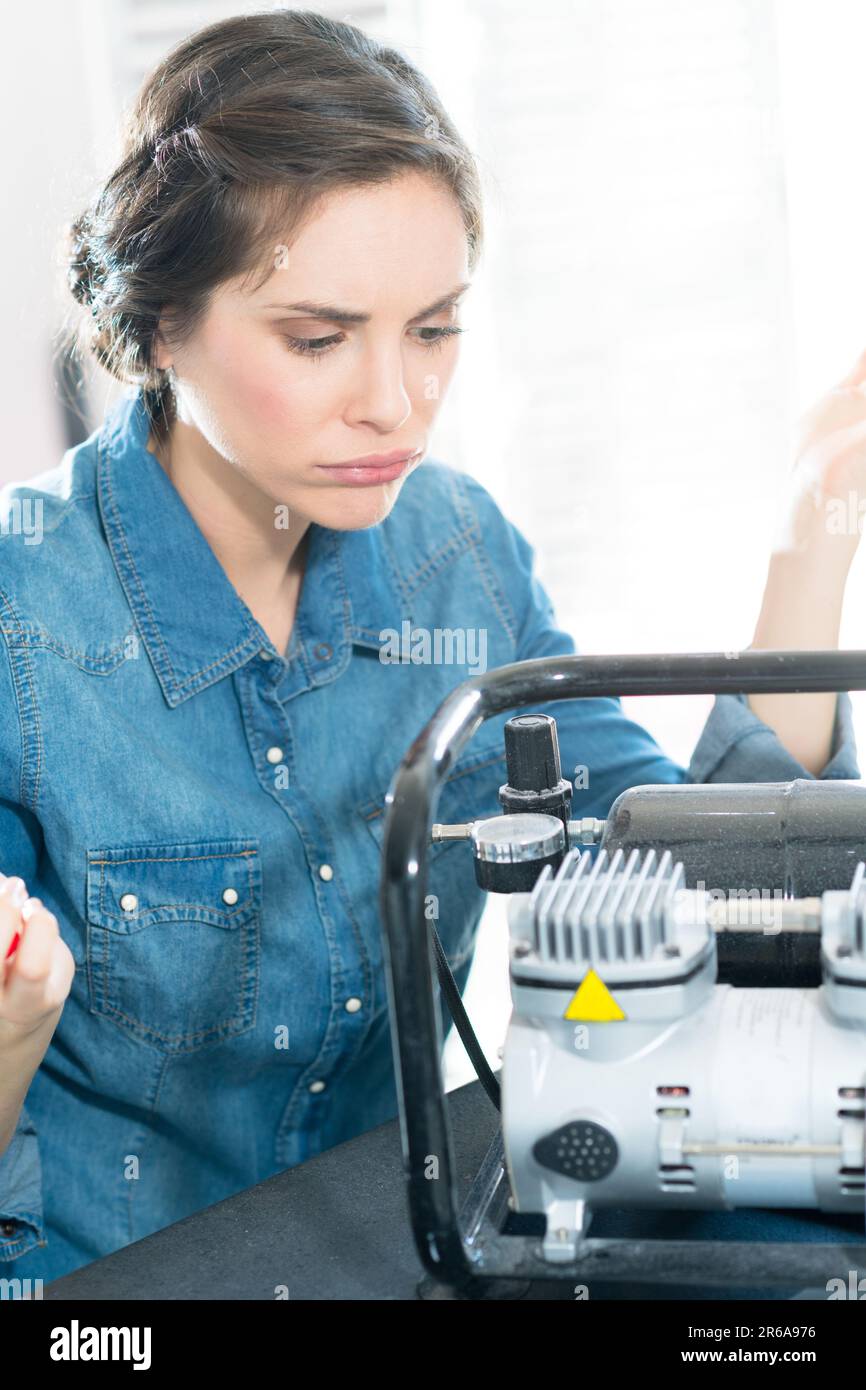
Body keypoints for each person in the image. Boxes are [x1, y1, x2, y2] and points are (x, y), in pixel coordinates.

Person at [0, 9, 863, 1288]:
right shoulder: (27, 629)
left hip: (401, 1247)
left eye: (434, 327)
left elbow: (677, 850)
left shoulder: (451, 551)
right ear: (162, 327)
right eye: (316, 337)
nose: (395, 404)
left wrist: (814, 527)